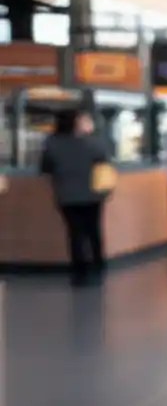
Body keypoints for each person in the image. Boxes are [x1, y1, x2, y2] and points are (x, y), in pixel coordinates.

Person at [40, 110, 110, 286]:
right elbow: (104, 163)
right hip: (92, 194)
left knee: (75, 233)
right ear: (77, 123)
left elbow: (45, 168)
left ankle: (79, 272)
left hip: (66, 195)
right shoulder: (94, 143)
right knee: (93, 231)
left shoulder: (52, 143)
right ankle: (98, 265)